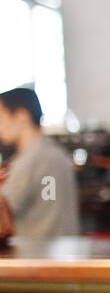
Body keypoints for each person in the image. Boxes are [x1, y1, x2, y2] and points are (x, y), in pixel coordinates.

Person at [0, 87, 79, 241]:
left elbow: (4, 210)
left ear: (22, 117)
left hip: (35, 254)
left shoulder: (30, 160)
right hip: (63, 250)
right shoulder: (56, 153)